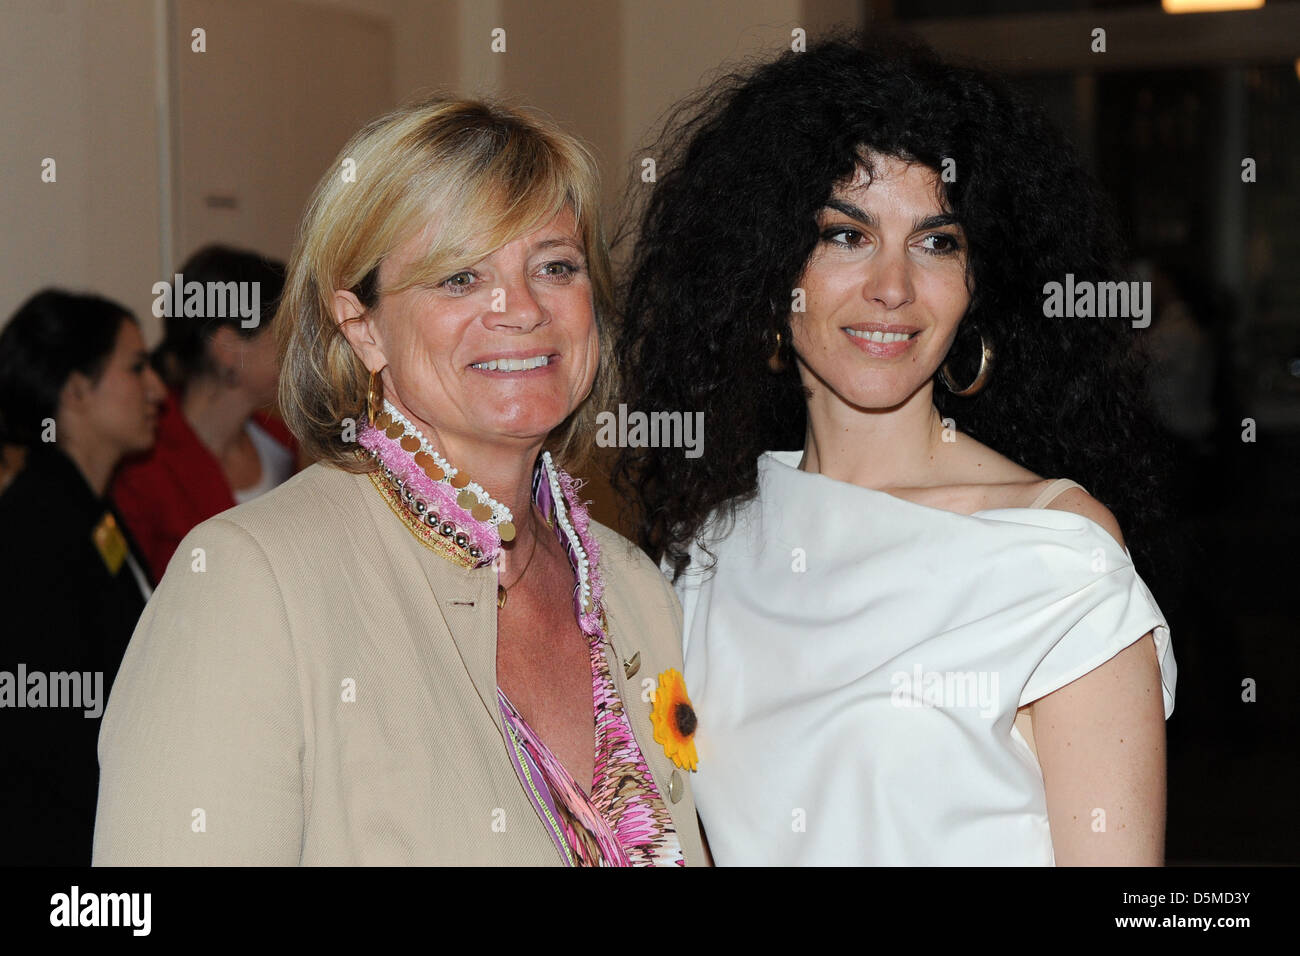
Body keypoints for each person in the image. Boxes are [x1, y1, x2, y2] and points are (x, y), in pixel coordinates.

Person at [93, 96, 706, 866]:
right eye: (458, 276)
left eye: (555, 266)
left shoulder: (632, 587)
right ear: (362, 326)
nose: (520, 308)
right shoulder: (253, 581)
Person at [614, 37, 1177, 865]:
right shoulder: (707, 557)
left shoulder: (1052, 552)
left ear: (980, 284)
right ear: (767, 268)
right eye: (845, 235)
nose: (893, 286)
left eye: (937, 242)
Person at [0, 289, 164, 865]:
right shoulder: (33, 525)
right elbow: (46, 727)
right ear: (75, 389)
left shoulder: (89, 509)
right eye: (136, 368)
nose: (157, 390)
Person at [112, 245, 293, 584]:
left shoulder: (284, 442)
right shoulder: (143, 468)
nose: (300, 349)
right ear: (227, 347)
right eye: (283, 332)